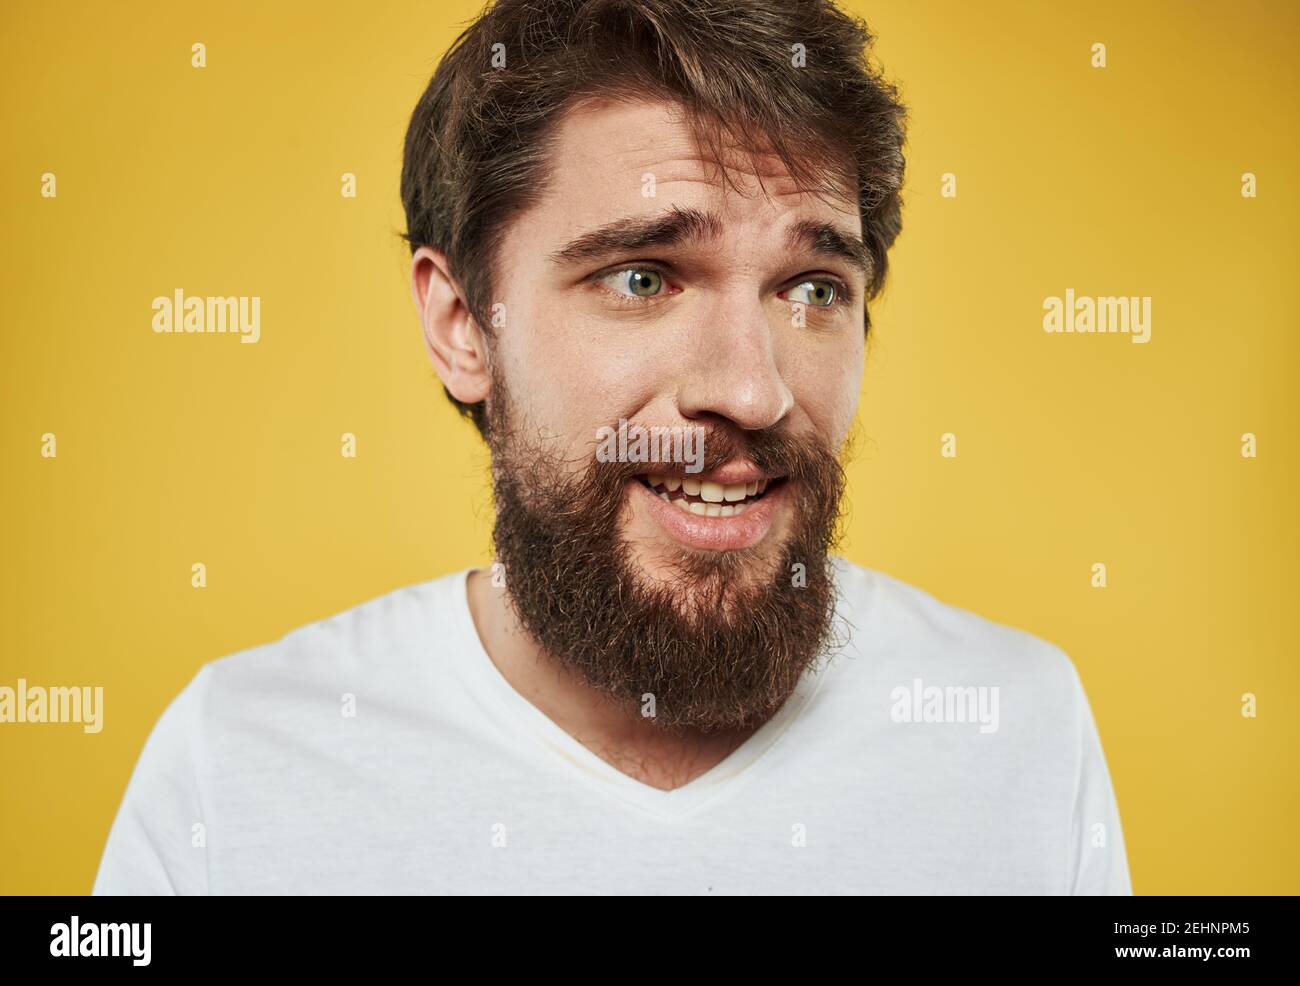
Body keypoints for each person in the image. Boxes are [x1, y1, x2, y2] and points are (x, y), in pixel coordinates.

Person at [93, 0, 1131, 895]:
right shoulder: (237, 762)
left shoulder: (1015, 727)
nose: (750, 388)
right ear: (463, 324)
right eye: (643, 276)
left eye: (812, 289)